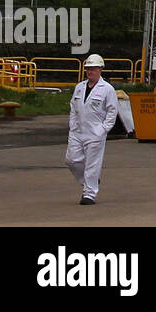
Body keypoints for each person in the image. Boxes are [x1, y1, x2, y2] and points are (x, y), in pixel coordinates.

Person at [66, 54, 118, 205]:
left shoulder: (107, 89)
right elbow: (73, 108)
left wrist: (103, 129)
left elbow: (112, 111)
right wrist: (72, 125)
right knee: (71, 160)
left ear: (100, 69)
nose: (90, 72)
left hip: (95, 132)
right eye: (88, 69)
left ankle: (89, 194)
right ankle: (90, 180)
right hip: (77, 131)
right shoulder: (79, 87)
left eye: (93, 69)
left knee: (92, 164)